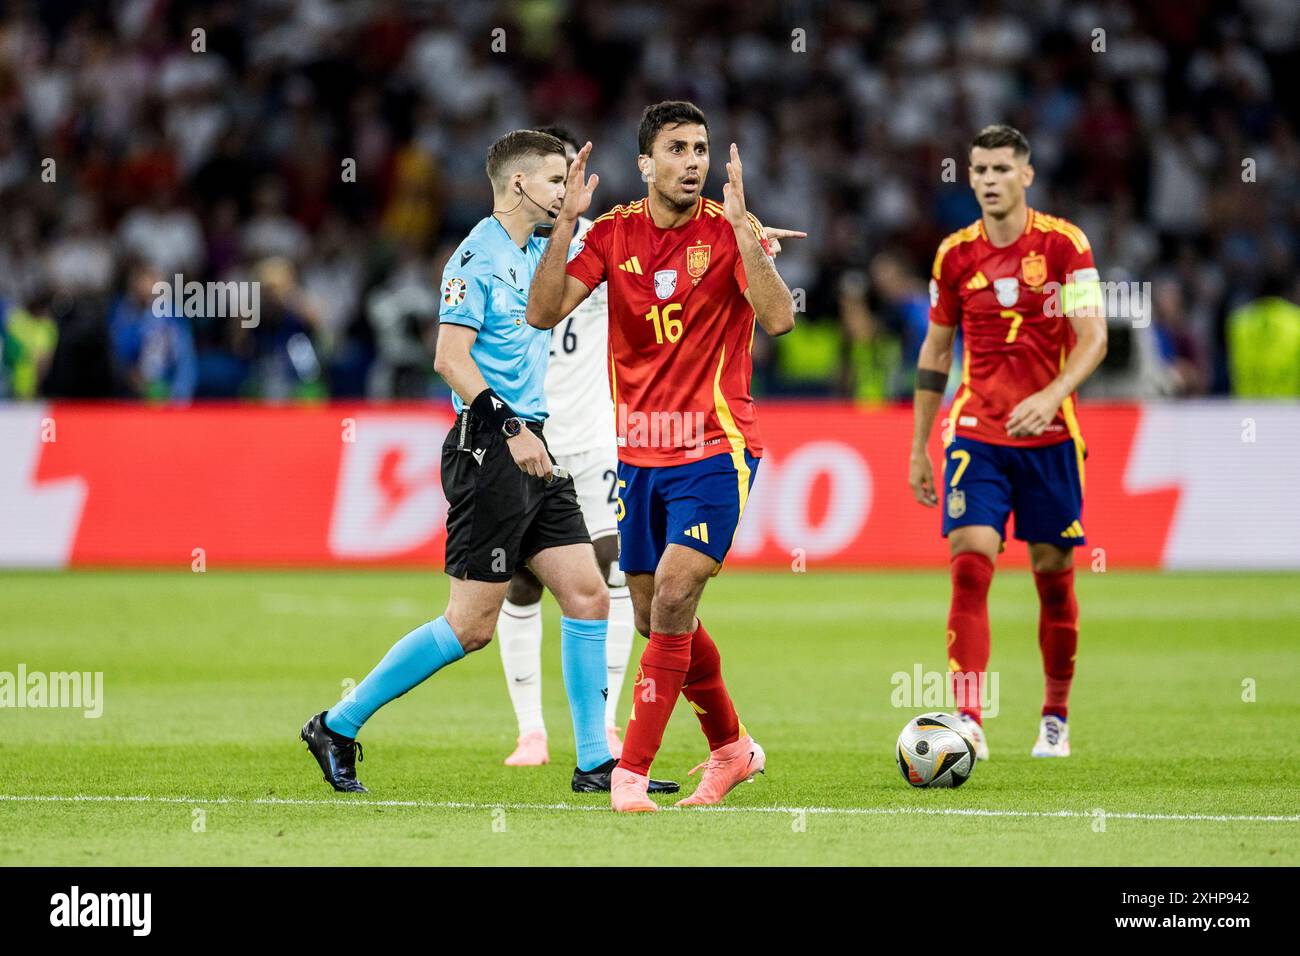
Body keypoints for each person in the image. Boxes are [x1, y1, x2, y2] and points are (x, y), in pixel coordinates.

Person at [301, 130, 674, 796]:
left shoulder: (537, 250)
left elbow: (630, 249)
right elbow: (448, 358)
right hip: (492, 451)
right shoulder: (476, 258)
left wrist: (737, 232)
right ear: (519, 184)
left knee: (587, 593)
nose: (566, 193)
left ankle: (594, 760)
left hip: (535, 448)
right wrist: (510, 428)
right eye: (556, 181)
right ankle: (338, 722)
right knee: (470, 625)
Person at [527, 101, 798, 811]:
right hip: (640, 458)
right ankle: (733, 749)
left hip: (716, 448)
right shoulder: (613, 234)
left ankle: (629, 773)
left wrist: (745, 236)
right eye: (677, 149)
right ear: (646, 163)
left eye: (701, 148)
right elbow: (542, 312)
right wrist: (563, 227)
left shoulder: (727, 231)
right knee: (655, 618)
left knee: (676, 596)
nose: (694, 161)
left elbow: (779, 319)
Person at [908, 125, 1107, 759]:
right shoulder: (954, 256)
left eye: (1001, 168)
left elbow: (1094, 336)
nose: (989, 179)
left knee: (1053, 573)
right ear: (968, 177)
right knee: (969, 564)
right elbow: (936, 351)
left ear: (1026, 175)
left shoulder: (1064, 244)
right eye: (979, 169)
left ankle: (1055, 715)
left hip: (1050, 435)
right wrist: (919, 446)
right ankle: (969, 718)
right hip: (977, 433)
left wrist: (1051, 396)